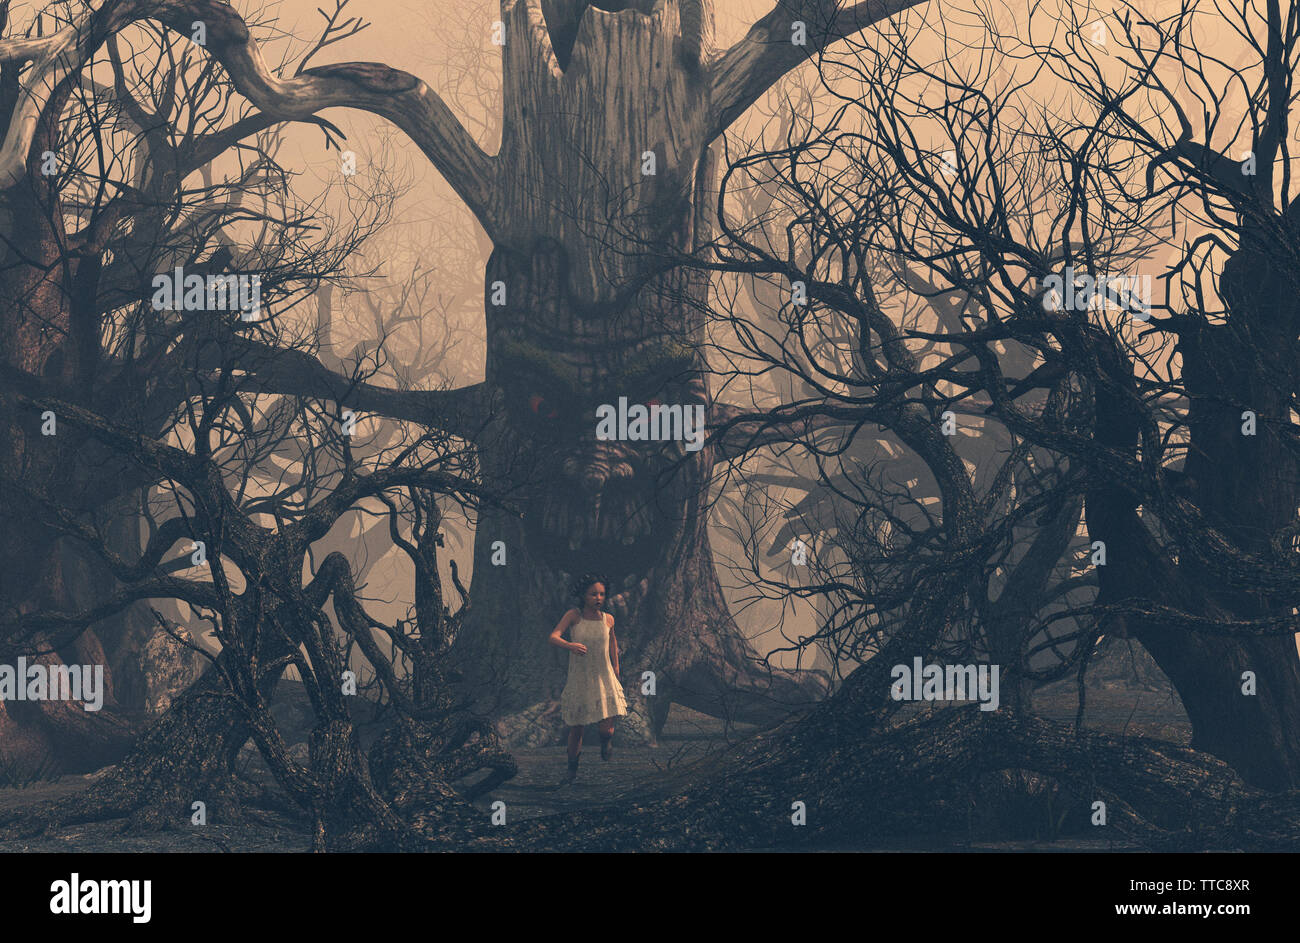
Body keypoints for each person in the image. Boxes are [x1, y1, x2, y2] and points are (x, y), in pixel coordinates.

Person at [548, 574, 627, 783]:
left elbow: (612, 644)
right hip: (581, 676)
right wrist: (570, 645)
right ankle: (572, 768)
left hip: (603, 674)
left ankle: (605, 741)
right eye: (593, 594)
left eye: (601, 594)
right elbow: (553, 636)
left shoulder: (608, 619)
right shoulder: (574, 616)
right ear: (584, 595)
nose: (598, 598)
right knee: (578, 726)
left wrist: (617, 670)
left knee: (607, 723)